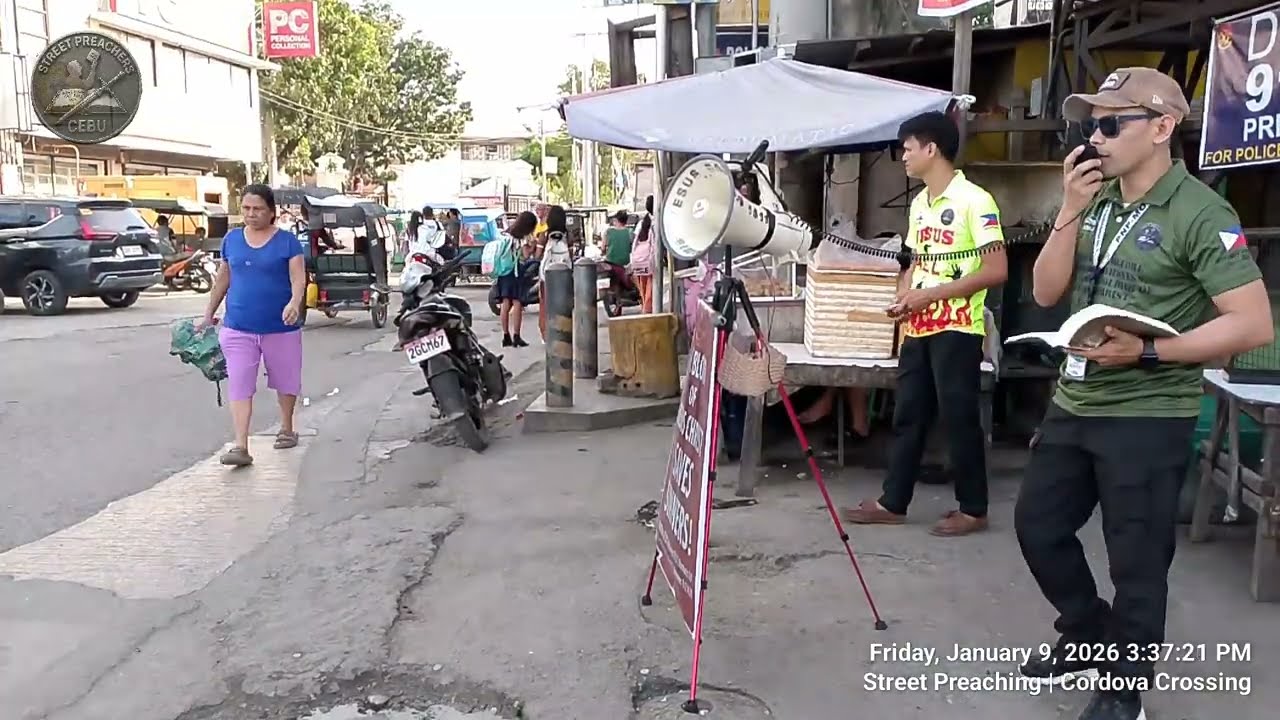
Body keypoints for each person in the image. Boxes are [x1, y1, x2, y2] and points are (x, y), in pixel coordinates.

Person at [1014, 68, 1272, 720]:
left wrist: (1150, 350)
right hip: (1077, 400)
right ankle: (1087, 628)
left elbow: (1252, 324)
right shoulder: (1096, 199)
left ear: (1161, 128)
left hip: (1149, 411)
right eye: (1090, 124)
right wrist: (1069, 209)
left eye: (1110, 123)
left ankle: (1124, 687)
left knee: (1137, 559)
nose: (1094, 137)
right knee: (1038, 526)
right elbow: (1046, 292)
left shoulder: (1202, 213)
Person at [842, 110, 1008, 537]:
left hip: (957, 327)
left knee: (958, 418)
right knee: (908, 415)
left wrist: (929, 296)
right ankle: (893, 501)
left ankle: (974, 508)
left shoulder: (975, 201)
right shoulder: (919, 204)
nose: (903, 157)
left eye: (908, 148)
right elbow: (914, 262)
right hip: (917, 326)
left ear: (931, 149)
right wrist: (903, 295)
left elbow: (996, 270)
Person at [201, 184, 307, 467]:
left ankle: (286, 427)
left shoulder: (287, 242)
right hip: (238, 326)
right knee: (239, 382)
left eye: (258, 209)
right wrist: (208, 312)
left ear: (271, 212)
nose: (251, 214)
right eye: (246, 208)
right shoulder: (232, 240)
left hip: (280, 327)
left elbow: (298, 278)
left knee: (286, 379)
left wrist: (294, 303)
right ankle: (241, 445)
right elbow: (223, 278)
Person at [495, 210, 537, 347]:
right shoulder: (522, 237)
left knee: (505, 303)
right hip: (515, 271)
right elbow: (525, 255)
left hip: (504, 271)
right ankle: (517, 336)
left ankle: (505, 335)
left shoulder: (506, 233)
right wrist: (533, 246)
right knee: (517, 302)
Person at [536, 205, 572, 339]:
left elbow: (538, 255)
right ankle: (563, 331)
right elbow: (571, 255)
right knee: (563, 302)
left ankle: (545, 333)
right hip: (564, 274)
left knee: (545, 303)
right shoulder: (568, 235)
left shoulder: (544, 234)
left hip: (547, 275)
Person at [630, 196, 655, 313]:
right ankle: (647, 309)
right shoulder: (656, 222)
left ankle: (644, 306)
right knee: (650, 284)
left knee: (643, 285)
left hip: (639, 259)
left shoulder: (642, 222)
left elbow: (634, 239)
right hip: (650, 259)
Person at [603, 210, 633, 288]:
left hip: (610, 263)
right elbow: (631, 249)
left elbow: (603, 248)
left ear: (616, 220)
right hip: (625, 265)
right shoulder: (630, 232)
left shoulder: (608, 231)